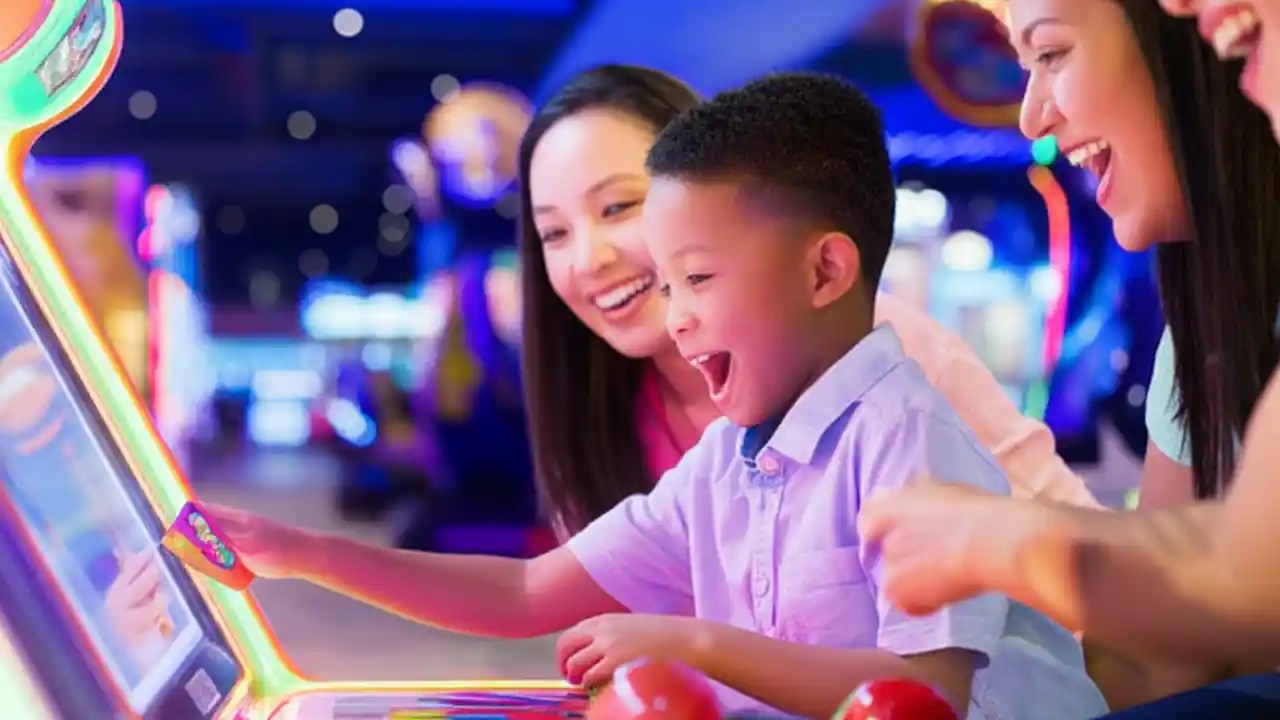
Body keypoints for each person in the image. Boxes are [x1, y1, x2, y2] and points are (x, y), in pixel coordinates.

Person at [210, 73, 1105, 719]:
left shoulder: (904, 418)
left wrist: (694, 647)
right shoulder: (724, 454)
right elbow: (528, 590)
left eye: (621, 209)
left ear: (824, 270)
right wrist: (301, 551)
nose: (670, 312)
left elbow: (926, 694)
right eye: (554, 231)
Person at [862, 0, 1280, 711]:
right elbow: (1154, 657)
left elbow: (1248, 568)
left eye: (1052, 54)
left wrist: (1004, 544)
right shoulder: (1205, 331)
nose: (1031, 117)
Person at [517, 64, 1097, 542]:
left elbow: (1071, 545)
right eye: (554, 233)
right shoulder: (587, 412)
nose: (588, 259)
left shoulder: (874, 348)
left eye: (618, 207)